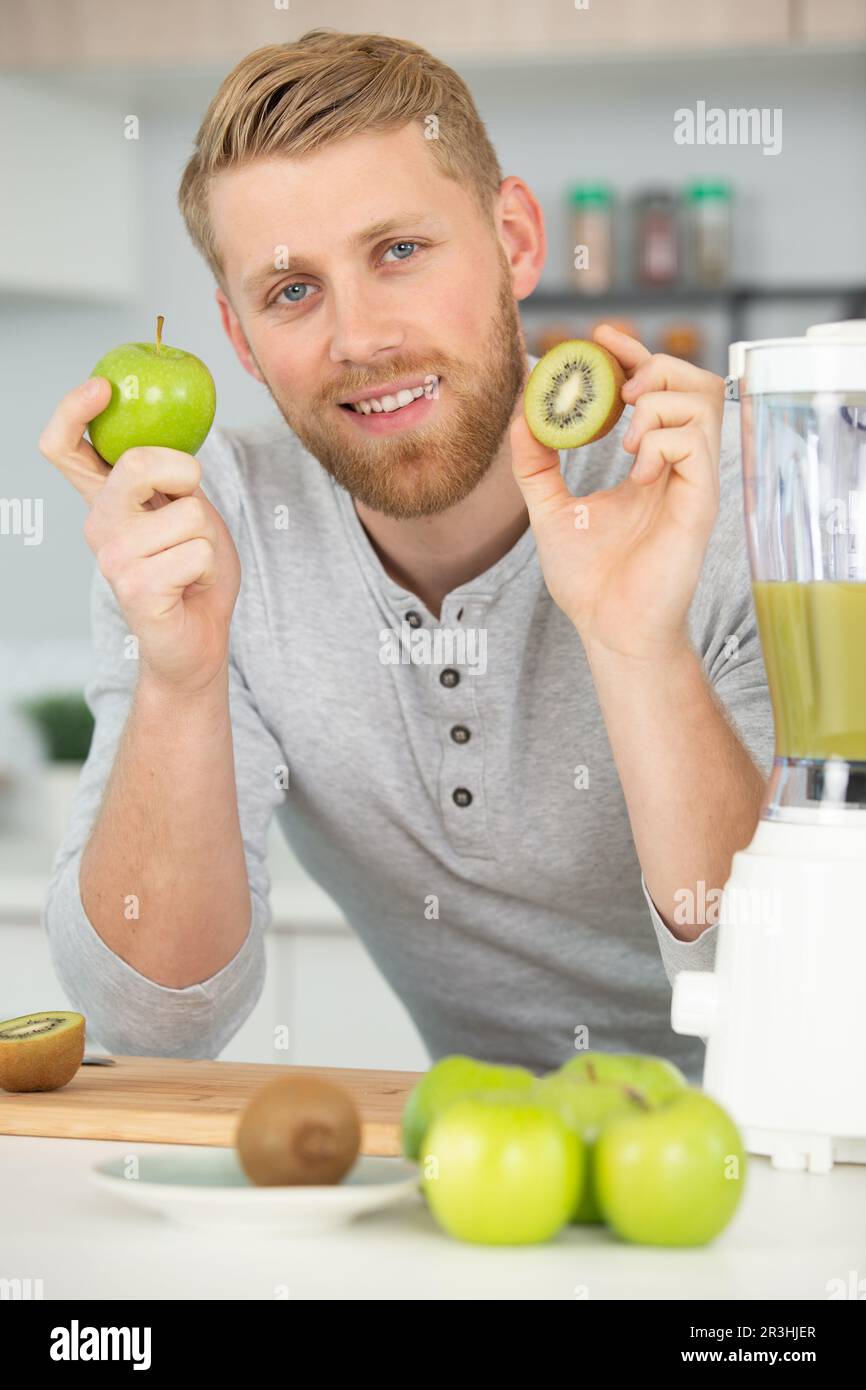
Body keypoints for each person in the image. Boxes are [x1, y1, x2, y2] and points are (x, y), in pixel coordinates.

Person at [38, 29, 773, 1081]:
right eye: (292, 291)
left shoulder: (732, 493)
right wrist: (181, 675)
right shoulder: (206, 528)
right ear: (239, 339)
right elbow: (154, 1027)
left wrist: (637, 645)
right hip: (483, 1175)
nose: (361, 339)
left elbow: (788, 985)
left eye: (398, 252)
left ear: (515, 240)